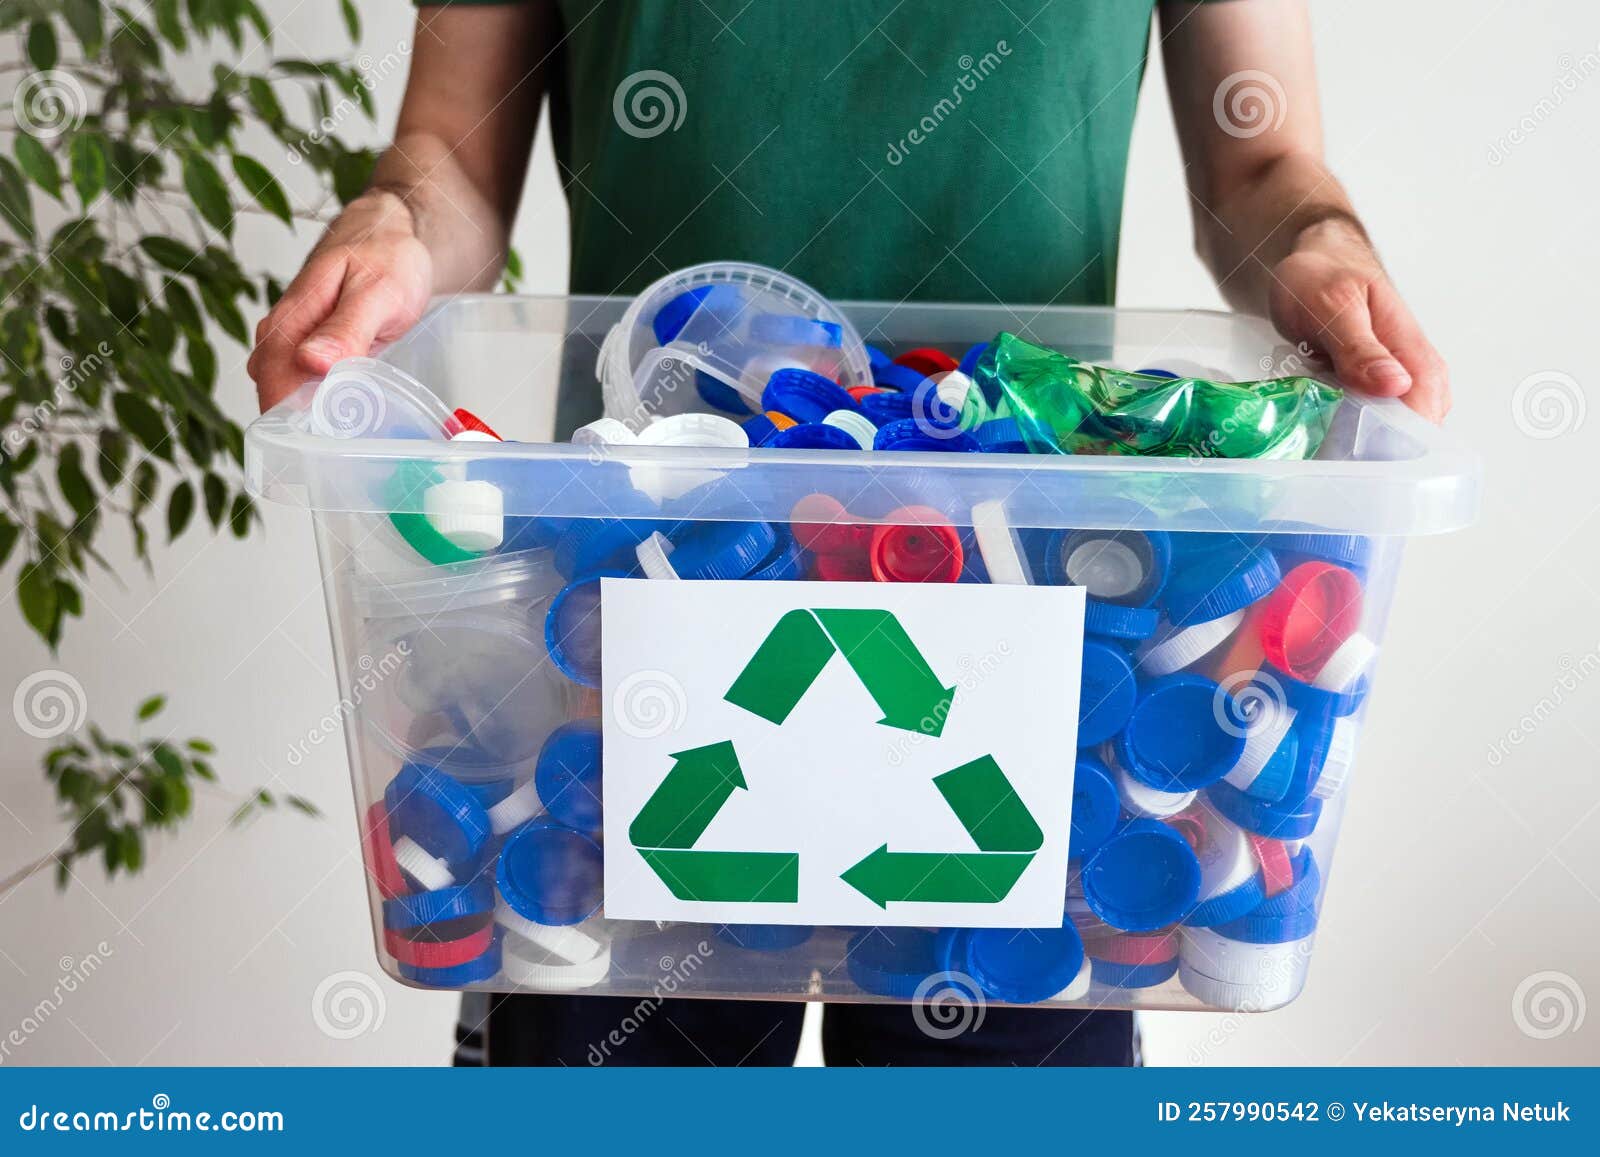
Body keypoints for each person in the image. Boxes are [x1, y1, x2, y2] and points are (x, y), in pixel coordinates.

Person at [249, 1, 1450, 1066]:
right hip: (629, 642)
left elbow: (1266, 164)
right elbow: (452, 157)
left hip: (1043, 651)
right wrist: (395, 224)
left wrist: (1320, 242)